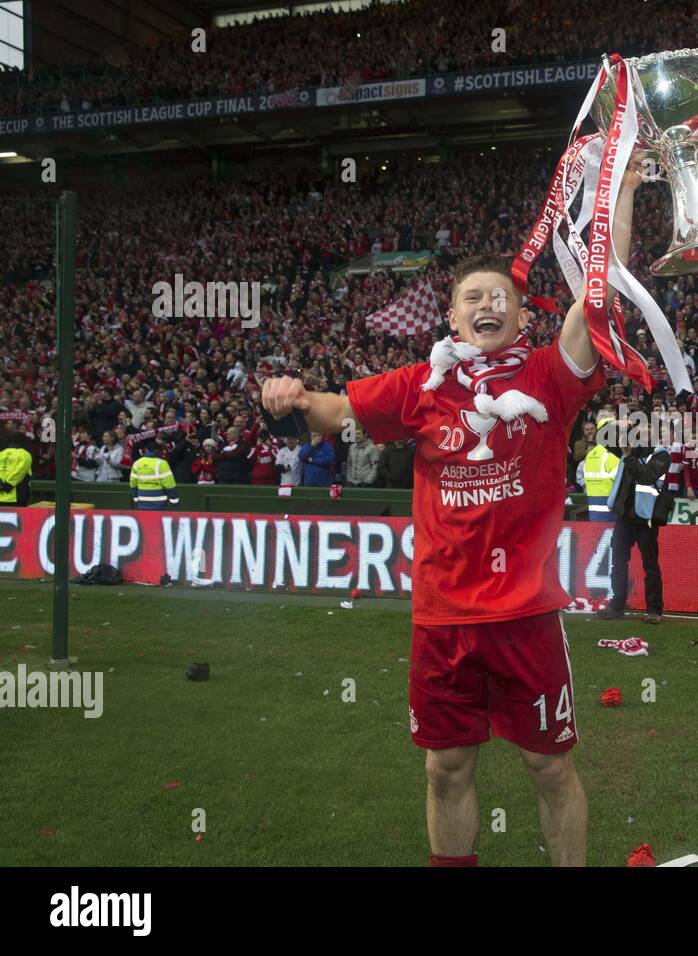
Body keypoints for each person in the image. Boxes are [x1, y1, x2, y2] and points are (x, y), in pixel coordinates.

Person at [259, 165, 634, 867]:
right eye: (472, 298)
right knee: (445, 770)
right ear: (453, 319)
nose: (487, 304)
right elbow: (333, 412)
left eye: (502, 296)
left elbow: (600, 290)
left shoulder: (550, 377)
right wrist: (288, 395)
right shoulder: (421, 387)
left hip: (525, 617)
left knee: (549, 769)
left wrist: (622, 189)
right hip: (443, 618)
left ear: (522, 315)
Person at [598, 440, 673, 625]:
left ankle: (654, 610)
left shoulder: (662, 455)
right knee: (618, 562)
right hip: (625, 517)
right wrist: (617, 427)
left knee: (650, 564)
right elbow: (603, 437)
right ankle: (617, 606)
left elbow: (647, 477)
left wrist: (629, 455)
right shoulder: (629, 448)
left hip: (646, 518)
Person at [581, 415, 619, 521]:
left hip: (594, 513)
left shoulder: (590, 455)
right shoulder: (611, 458)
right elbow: (624, 484)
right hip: (611, 515)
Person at [128, 439, 180, 510]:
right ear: (159, 450)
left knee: (144, 520)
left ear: (146, 450)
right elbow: (169, 483)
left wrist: (136, 498)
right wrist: (174, 499)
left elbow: (133, 483)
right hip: (159, 501)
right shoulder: (162, 463)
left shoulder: (137, 463)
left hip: (142, 499)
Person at [0, 434, 33, 506]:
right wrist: (8, 485)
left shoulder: (1, 453)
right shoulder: (25, 454)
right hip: (17, 497)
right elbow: (20, 472)